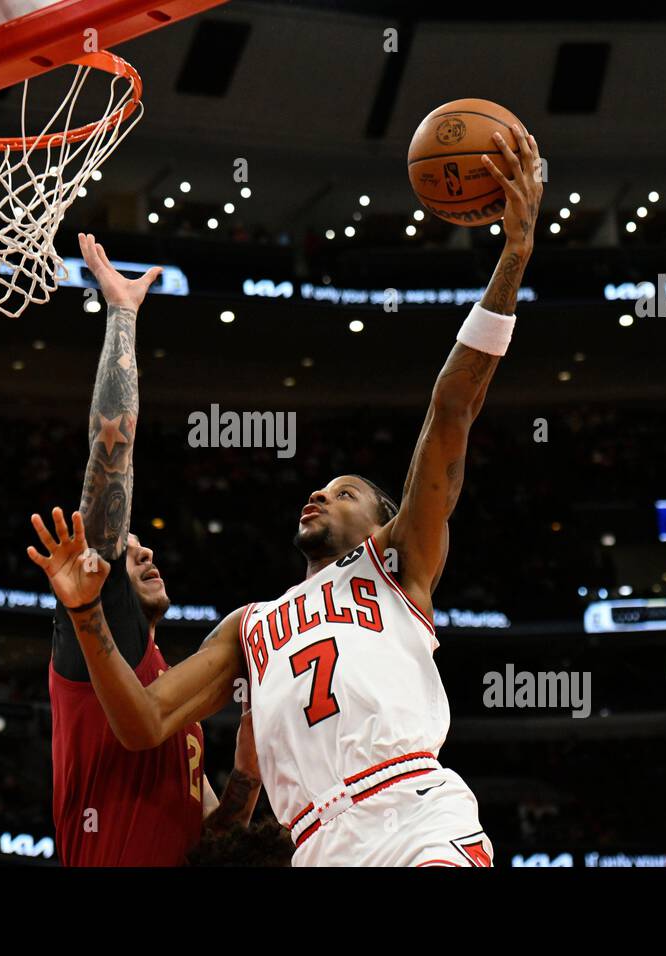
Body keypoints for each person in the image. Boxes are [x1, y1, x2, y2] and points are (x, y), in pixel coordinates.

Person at [30, 127, 542, 866]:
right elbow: (143, 723)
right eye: (319, 486)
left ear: (383, 522)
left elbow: (452, 410)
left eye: (343, 492)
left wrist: (513, 260)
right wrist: (83, 613)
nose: (319, 492)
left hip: (412, 809)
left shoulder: (397, 565)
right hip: (318, 843)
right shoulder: (250, 626)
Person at [47, 234, 261, 867]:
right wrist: (122, 316)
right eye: (130, 551)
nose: (141, 554)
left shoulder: (169, 695)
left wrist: (245, 774)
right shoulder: (96, 633)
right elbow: (109, 463)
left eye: (142, 551)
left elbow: (213, 843)